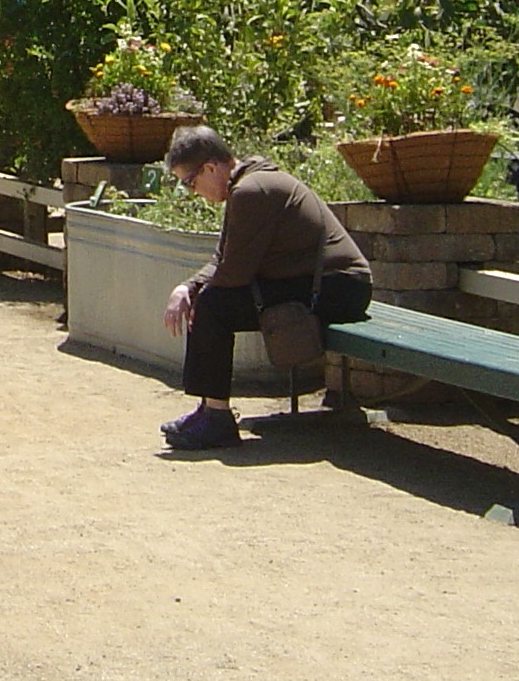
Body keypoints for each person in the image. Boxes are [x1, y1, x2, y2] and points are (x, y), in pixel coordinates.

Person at [157, 126, 376, 449]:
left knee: (214, 305)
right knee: (210, 299)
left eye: (190, 181)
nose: (191, 191)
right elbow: (224, 258)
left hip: (340, 288)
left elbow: (234, 273)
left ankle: (215, 418)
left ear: (211, 168)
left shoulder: (251, 191)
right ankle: (209, 410)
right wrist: (187, 287)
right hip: (321, 284)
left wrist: (196, 293)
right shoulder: (246, 185)